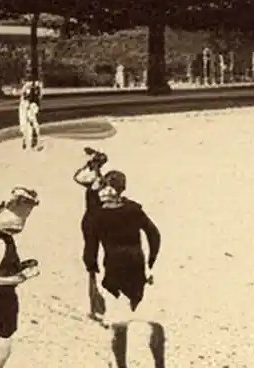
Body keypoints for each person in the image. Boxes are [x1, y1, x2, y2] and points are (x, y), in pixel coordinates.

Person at [83, 171, 165, 368]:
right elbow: (154, 235)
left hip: (113, 266)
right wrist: (151, 262)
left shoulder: (97, 215)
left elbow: (90, 244)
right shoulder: (133, 209)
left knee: (118, 322)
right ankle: (158, 364)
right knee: (145, 317)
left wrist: (91, 267)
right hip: (137, 265)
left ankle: (121, 365)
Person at [0, 187, 41, 368]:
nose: (20, 222)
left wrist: (20, 267)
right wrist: (21, 277)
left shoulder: (3, 237)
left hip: (0, 306)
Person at [73, 148, 109, 318]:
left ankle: (94, 300)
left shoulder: (95, 179)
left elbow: (78, 177)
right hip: (96, 222)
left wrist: (91, 165)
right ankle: (94, 300)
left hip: (91, 221)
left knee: (91, 257)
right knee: (93, 257)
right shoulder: (101, 180)